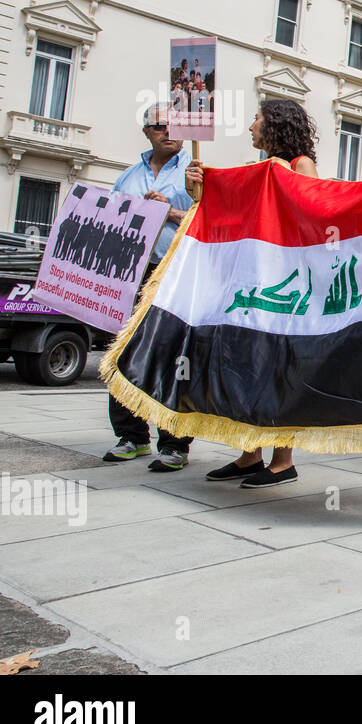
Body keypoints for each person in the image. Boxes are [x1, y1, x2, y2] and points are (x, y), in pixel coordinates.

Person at [185, 99, 320, 487]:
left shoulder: (300, 165)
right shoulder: (258, 168)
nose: (250, 126)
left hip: (285, 287)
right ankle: (249, 455)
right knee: (251, 367)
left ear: (275, 124)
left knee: (279, 371)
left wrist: (274, 178)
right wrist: (202, 186)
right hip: (254, 284)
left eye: (256, 119)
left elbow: (309, 217)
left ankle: (283, 461)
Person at [103, 103, 195, 471]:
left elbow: (208, 221)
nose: (168, 131)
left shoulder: (195, 173)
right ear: (147, 132)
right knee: (121, 350)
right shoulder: (127, 177)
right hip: (130, 271)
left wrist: (169, 211)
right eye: (159, 126)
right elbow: (109, 219)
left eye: (174, 125)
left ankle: (175, 443)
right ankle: (131, 436)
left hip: (173, 272)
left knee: (173, 356)